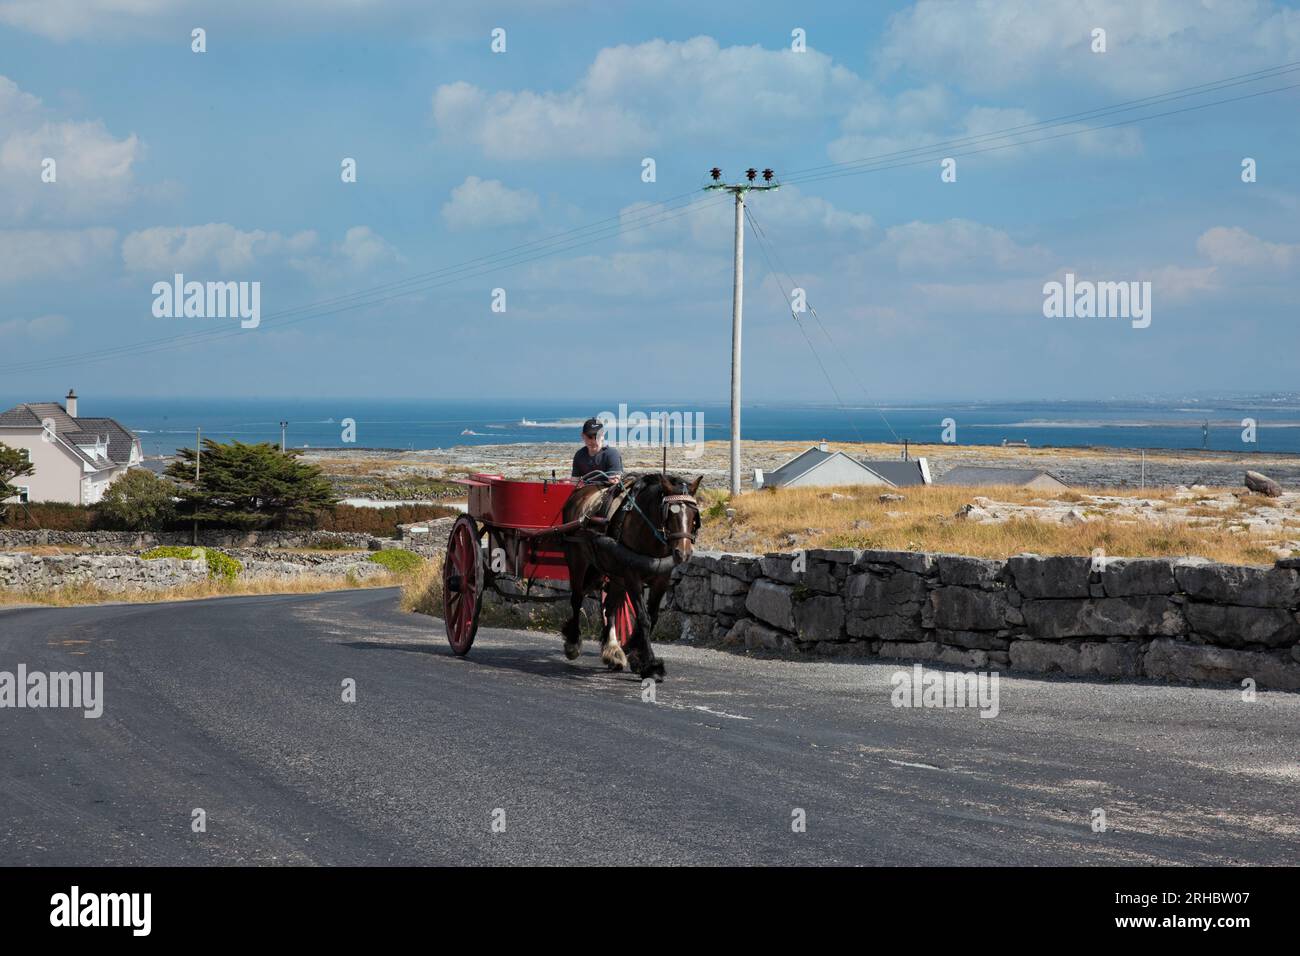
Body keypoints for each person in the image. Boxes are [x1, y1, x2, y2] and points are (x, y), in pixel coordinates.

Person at [571, 417, 623, 482]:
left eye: (597, 437)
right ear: (583, 436)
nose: (593, 441)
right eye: (589, 437)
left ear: (603, 435)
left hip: (607, 490)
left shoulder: (611, 454)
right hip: (586, 491)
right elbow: (574, 482)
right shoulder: (579, 455)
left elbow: (614, 482)